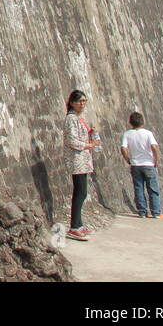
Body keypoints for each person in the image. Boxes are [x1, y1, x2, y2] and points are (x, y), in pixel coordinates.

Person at [64, 89, 97, 241]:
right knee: (80, 192)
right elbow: (71, 140)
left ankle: (79, 223)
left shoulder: (79, 118)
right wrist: (88, 145)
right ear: (72, 103)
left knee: (82, 192)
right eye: (80, 101)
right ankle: (74, 226)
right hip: (77, 159)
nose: (82, 104)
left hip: (82, 159)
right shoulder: (71, 119)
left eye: (84, 101)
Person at [121, 112, 162, 219]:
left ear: (130, 122)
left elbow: (123, 148)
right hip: (148, 164)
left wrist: (127, 159)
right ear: (143, 122)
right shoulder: (148, 133)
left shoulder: (127, 134)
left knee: (138, 188)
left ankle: (142, 212)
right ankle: (156, 212)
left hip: (135, 165)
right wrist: (156, 159)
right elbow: (154, 147)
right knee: (153, 188)